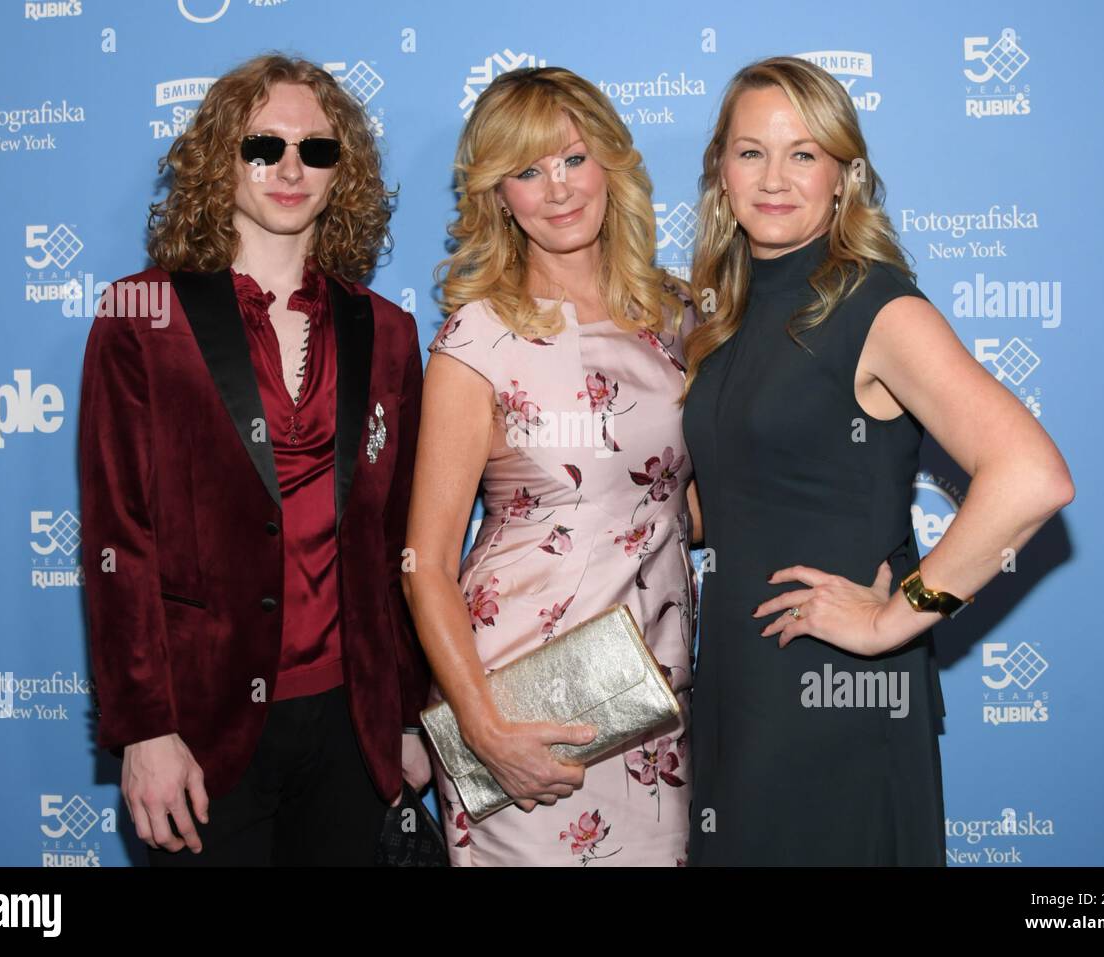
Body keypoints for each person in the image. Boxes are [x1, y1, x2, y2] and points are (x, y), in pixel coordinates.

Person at [681, 56, 1074, 866]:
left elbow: (1032, 474)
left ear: (844, 175)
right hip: (737, 686)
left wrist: (894, 618)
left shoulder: (875, 303)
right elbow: (731, 499)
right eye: (751, 151)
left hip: (836, 698)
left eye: (804, 152)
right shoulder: (722, 318)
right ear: (721, 170)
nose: (775, 176)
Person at [78, 53, 430, 866]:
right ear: (220, 158)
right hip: (200, 732)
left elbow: (396, 547)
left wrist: (407, 717)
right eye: (263, 145)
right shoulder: (141, 315)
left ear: (345, 173)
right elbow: (118, 542)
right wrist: (144, 728)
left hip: (351, 728)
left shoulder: (386, 330)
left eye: (318, 149)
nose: (290, 168)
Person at [402, 66, 700, 866]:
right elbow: (424, 562)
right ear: (498, 196)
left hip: (653, 700)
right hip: (519, 700)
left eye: (572, 158)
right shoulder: (479, 339)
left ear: (609, 162)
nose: (558, 189)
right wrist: (484, 728)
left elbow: (690, 503)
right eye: (526, 172)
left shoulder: (674, 317)